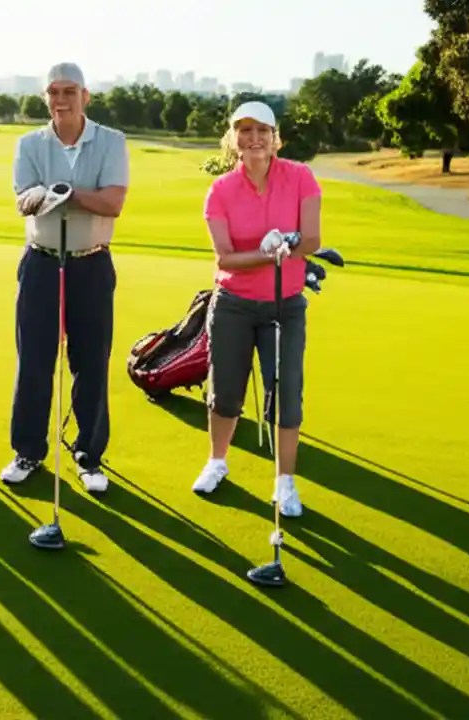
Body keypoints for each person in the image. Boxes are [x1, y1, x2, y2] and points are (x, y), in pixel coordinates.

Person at [190, 100, 322, 517]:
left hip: (286, 305)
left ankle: (285, 481)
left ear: (275, 137)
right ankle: (217, 462)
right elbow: (225, 258)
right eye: (245, 131)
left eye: (262, 130)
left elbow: (312, 240)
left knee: (286, 394)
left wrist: (285, 243)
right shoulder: (221, 190)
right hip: (233, 305)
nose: (254, 138)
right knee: (225, 390)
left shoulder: (300, 177)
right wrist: (269, 253)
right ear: (234, 139)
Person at [3, 62, 129, 494]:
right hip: (41, 262)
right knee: (34, 361)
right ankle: (28, 451)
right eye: (53, 92)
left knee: (91, 363)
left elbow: (113, 203)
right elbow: (24, 198)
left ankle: (88, 455)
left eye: (69, 92)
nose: (61, 100)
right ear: (46, 98)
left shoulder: (111, 141)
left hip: (91, 263)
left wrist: (67, 194)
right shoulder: (29, 144)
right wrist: (40, 197)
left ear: (85, 96)